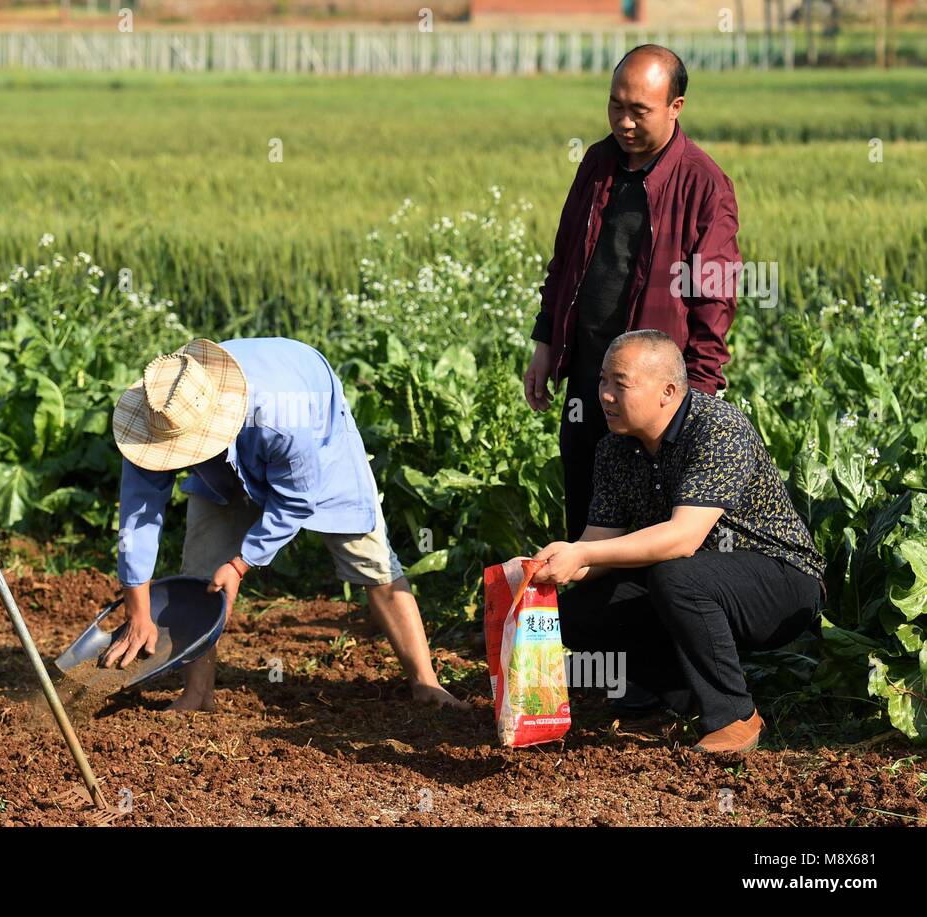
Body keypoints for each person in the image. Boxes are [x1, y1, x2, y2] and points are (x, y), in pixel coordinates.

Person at [103, 336, 466, 712]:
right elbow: (137, 515)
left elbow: (296, 498)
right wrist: (138, 609)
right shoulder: (158, 415)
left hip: (315, 431)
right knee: (202, 573)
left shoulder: (283, 420)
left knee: (370, 560)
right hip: (227, 453)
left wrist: (241, 563)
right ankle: (197, 694)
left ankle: (425, 682)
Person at [529, 330, 825, 753]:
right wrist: (555, 565)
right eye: (602, 381)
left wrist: (584, 553)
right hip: (692, 578)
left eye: (620, 384)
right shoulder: (615, 447)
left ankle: (735, 716)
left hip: (780, 578)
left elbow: (684, 538)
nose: (605, 396)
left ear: (668, 391)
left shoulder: (717, 428)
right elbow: (600, 543)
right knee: (577, 611)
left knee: (675, 574)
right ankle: (676, 690)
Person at [524, 44, 741, 541]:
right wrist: (544, 345)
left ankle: (646, 616)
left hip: (653, 391)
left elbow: (716, 297)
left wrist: (697, 395)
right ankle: (583, 615)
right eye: (615, 106)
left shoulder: (703, 184)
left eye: (638, 111)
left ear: (675, 107)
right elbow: (564, 261)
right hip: (588, 372)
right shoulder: (598, 163)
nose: (623, 122)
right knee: (584, 500)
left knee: (648, 521)